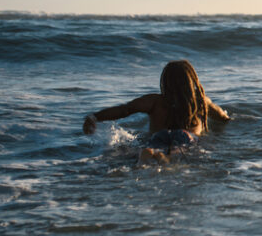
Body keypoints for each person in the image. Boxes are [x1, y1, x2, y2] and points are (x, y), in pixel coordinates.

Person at [83, 60, 230, 162]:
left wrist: (94, 117)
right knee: (180, 152)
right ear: (191, 81)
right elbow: (222, 116)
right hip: (187, 137)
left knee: (145, 149)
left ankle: (148, 155)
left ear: (164, 82)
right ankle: (167, 158)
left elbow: (124, 110)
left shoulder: (155, 101)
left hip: (158, 137)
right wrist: (228, 119)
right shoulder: (201, 101)